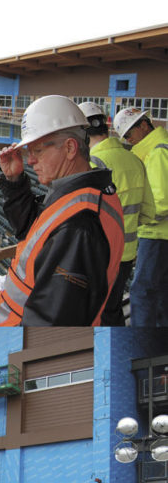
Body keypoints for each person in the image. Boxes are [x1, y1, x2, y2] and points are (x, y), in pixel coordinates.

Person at [0, 94, 125, 327]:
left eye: (37, 151)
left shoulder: (79, 225)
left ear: (70, 148)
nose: (30, 161)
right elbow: (33, 232)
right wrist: (15, 181)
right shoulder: (76, 194)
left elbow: (51, 323)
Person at [79, 101, 154, 326]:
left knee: (98, 314)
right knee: (113, 309)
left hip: (101, 255)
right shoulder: (135, 159)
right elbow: (149, 212)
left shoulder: (92, 163)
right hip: (128, 253)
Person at [113, 107, 168, 327]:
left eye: (129, 134)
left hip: (156, 235)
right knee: (160, 291)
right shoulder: (155, 150)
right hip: (158, 235)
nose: (129, 140)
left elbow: (162, 201)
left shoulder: (157, 152)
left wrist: (138, 218)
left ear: (144, 125)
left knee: (142, 291)